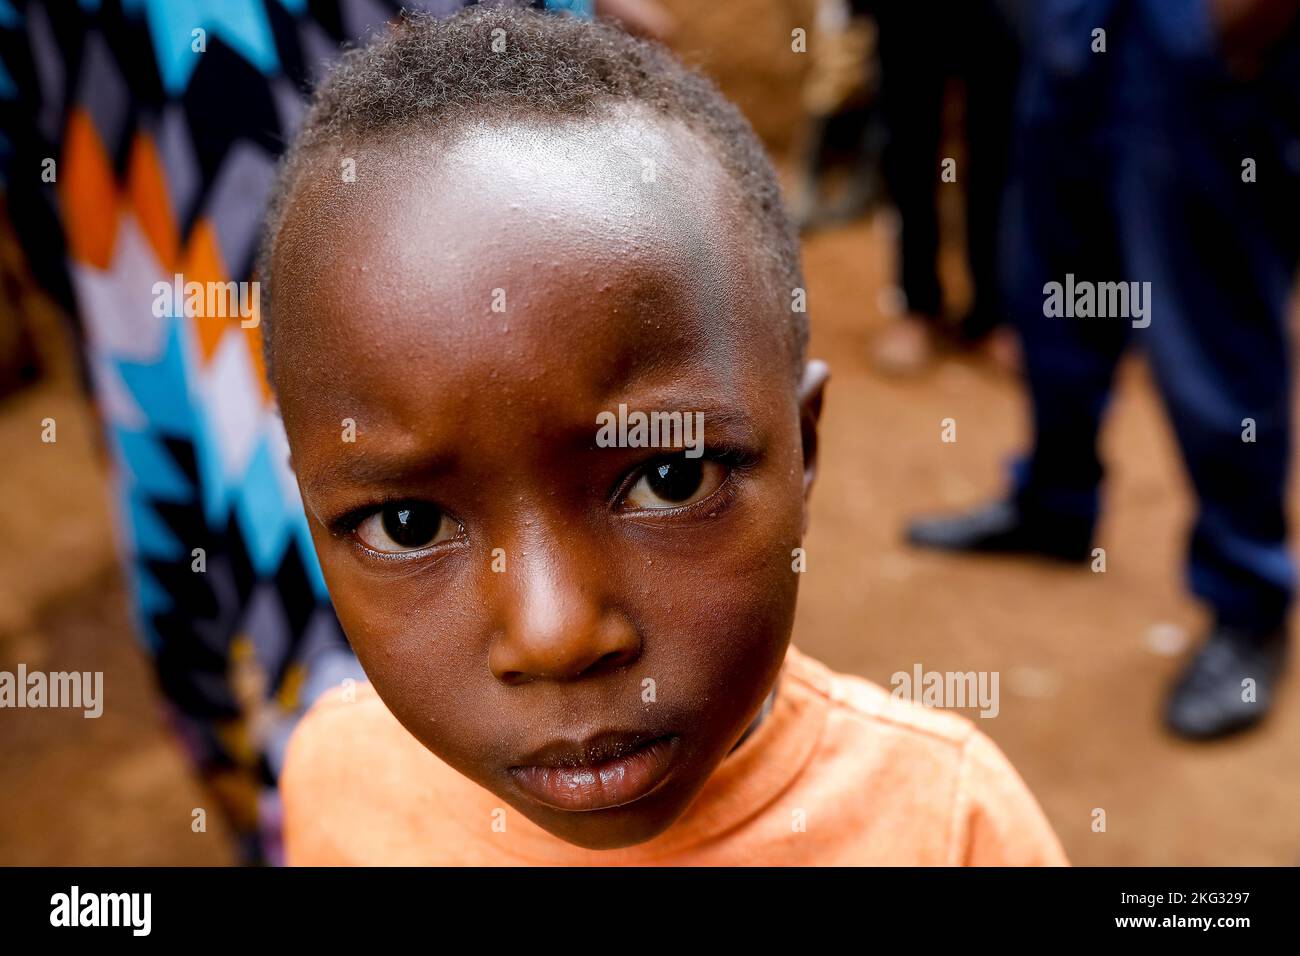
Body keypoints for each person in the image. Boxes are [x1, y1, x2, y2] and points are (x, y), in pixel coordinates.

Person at [266, 8, 1066, 865]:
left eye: (671, 478)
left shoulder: (946, 830)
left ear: (804, 448)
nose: (557, 635)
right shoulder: (338, 781)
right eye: (408, 525)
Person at [908, 0, 1300, 740]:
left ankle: (1250, 598)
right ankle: (1056, 504)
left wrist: (1234, 28)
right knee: (1053, 284)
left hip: (1200, 31)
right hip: (1075, 26)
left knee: (1214, 326)